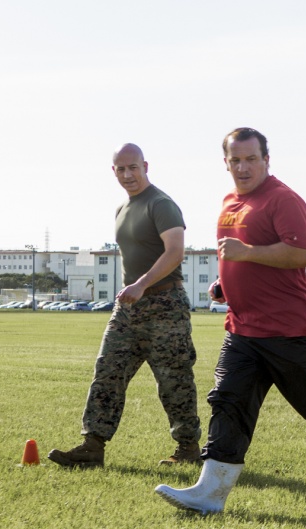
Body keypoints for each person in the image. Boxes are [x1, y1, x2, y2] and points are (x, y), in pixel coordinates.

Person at [155, 128, 306, 515]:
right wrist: (225, 284)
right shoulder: (230, 202)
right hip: (242, 328)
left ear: (267, 160)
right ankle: (210, 493)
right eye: (236, 160)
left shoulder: (283, 199)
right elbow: (237, 257)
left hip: (287, 328)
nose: (243, 167)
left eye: (251, 159)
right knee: (228, 401)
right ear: (225, 163)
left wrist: (246, 253)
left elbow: (302, 254)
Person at [48, 144, 201, 469]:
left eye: (133, 167)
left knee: (174, 380)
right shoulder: (121, 208)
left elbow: (175, 251)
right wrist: (134, 289)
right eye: (121, 169)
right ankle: (92, 447)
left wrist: (142, 284)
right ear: (113, 171)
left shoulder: (161, 204)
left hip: (165, 304)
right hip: (129, 308)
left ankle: (188, 448)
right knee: (108, 372)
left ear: (145, 166)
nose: (128, 174)